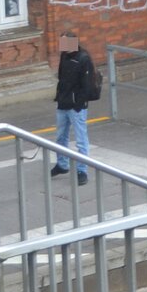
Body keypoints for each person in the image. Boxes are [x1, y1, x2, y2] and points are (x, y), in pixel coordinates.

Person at [52, 30, 94, 184]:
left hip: (76, 106)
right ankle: (62, 164)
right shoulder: (64, 56)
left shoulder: (83, 59)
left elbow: (87, 84)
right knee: (60, 137)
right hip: (63, 103)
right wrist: (59, 98)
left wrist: (79, 104)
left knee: (81, 140)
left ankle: (82, 171)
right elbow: (61, 78)